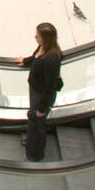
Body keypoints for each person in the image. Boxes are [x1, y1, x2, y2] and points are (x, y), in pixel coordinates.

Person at [17, 23, 63, 161]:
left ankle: (35, 154)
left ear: (45, 38)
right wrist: (25, 60)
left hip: (41, 95)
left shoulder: (52, 58)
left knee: (37, 122)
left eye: (38, 35)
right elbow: (35, 58)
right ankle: (31, 143)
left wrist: (42, 108)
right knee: (34, 121)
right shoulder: (43, 48)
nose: (35, 36)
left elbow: (49, 86)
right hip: (36, 90)